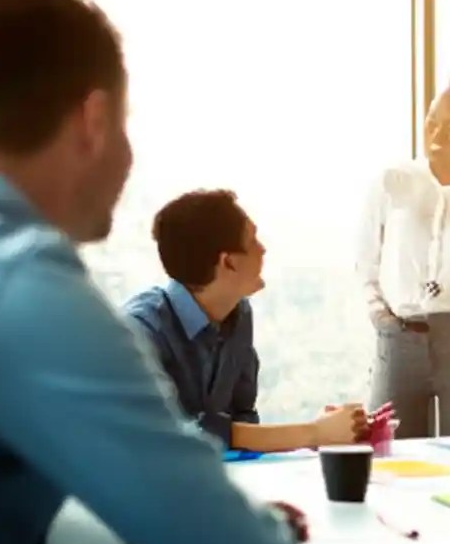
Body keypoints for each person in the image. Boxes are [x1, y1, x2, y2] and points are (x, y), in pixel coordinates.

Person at [0, 0, 303, 544]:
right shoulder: (19, 282)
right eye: (125, 124)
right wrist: (257, 538)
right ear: (93, 122)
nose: (127, 153)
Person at [124, 189, 368, 451]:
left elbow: (242, 418)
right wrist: (314, 433)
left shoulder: (239, 314)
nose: (263, 250)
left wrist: (322, 431)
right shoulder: (139, 330)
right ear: (228, 262)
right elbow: (172, 433)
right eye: (253, 241)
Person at [356, 63, 450, 438]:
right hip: (398, 338)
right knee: (391, 455)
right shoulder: (392, 182)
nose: (437, 135)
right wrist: (382, 318)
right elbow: (367, 261)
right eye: (432, 123)